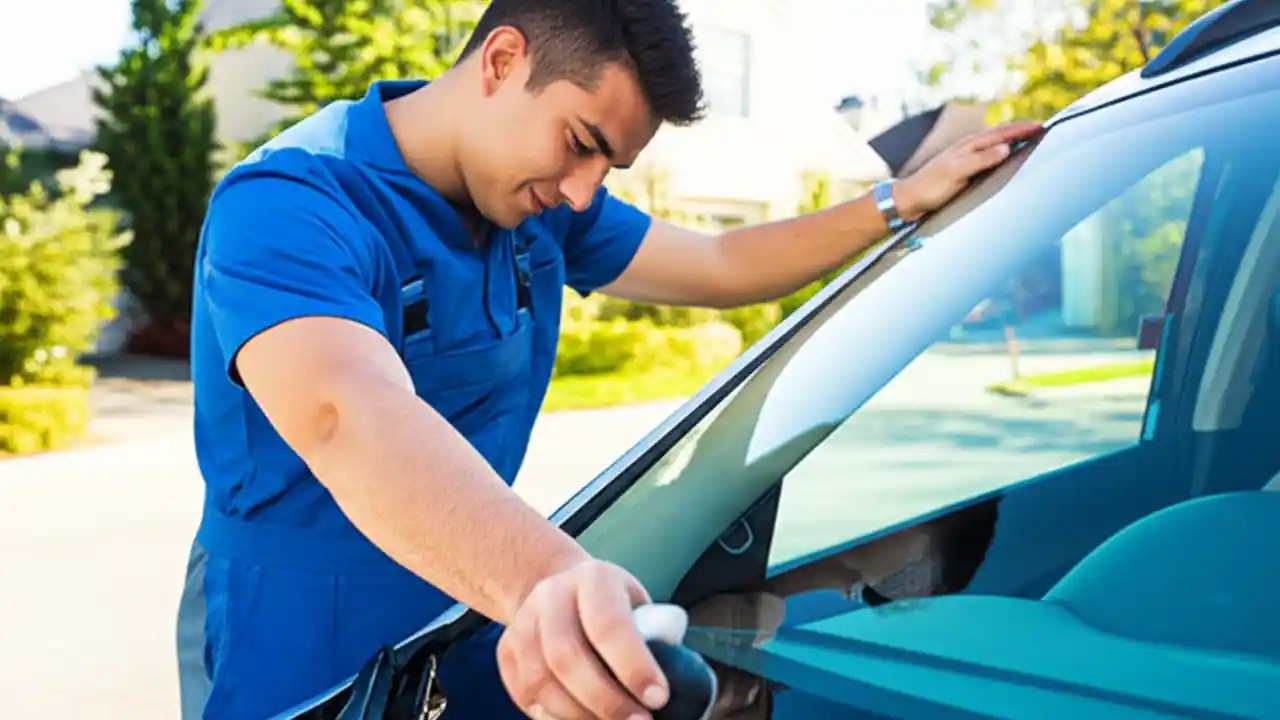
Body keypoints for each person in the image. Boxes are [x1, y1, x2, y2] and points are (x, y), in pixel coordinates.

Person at [174, 1, 1042, 718]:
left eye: (611, 164)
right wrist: (558, 581)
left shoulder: (539, 206)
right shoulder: (292, 202)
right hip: (293, 630)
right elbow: (346, 414)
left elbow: (719, 264)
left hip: (477, 608)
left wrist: (896, 201)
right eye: (582, 142)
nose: (587, 190)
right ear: (502, 60)